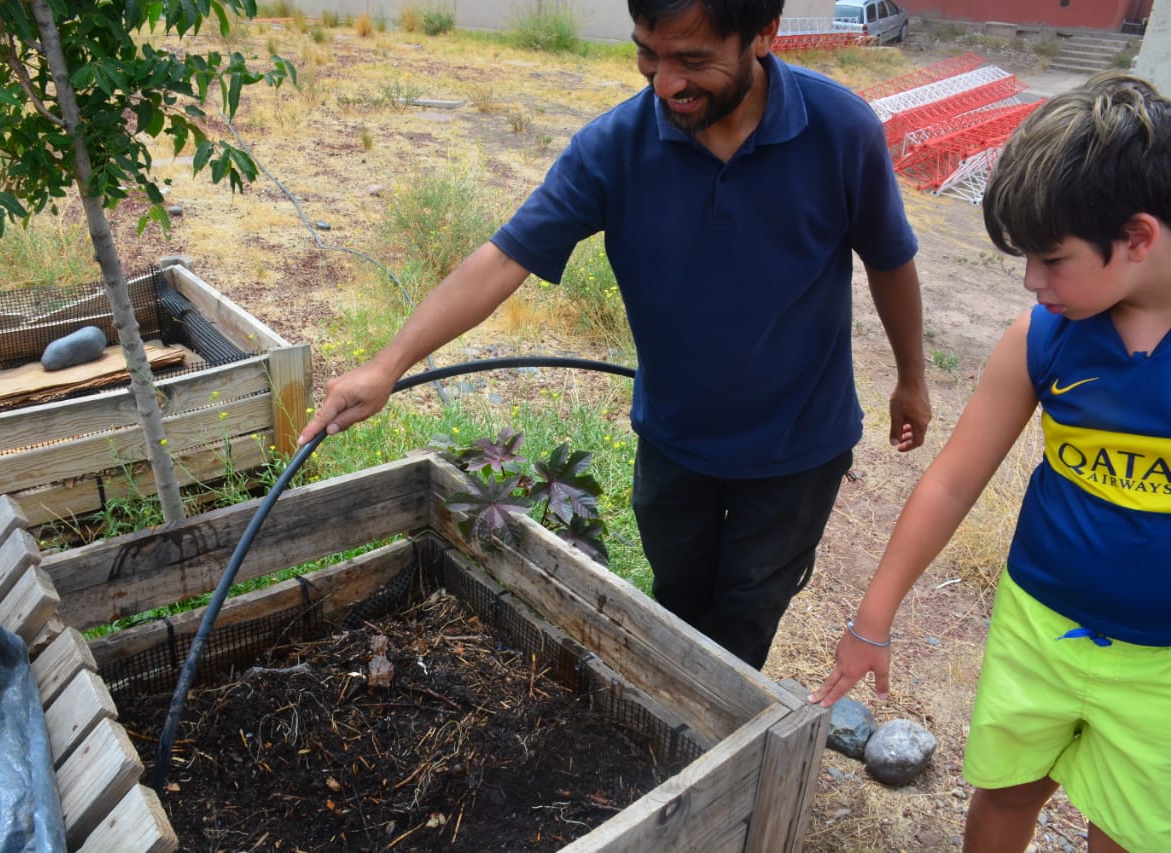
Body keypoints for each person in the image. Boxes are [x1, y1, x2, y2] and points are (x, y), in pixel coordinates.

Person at [299, 0, 932, 671]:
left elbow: (889, 260)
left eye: (693, 60)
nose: (666, 83)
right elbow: (504, 258)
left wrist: (912, 379)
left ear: (764, 35)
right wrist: (388, 364)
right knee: (676, 600)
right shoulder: (615, 147)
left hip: (798, 448)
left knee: (746, 618)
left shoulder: (840, 129)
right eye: (648, 54)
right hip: (675, 438)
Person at [809, 72, 1171, 853]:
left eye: (1052, 259)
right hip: (1037, 628)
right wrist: (873, 617)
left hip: (1162, 668)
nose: (1032, 283)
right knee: (1005, 794)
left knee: (1130, 832)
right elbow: (951, 482)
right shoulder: (1040, 337)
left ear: (1138, 237)